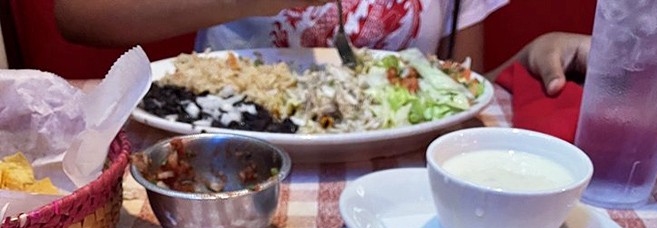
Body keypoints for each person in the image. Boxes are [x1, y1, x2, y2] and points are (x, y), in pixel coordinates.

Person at [54, 0, 510, 71]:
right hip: (227, 148)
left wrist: (524, 58)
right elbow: (77, 15)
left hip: (403, 177)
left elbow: (460, 84)